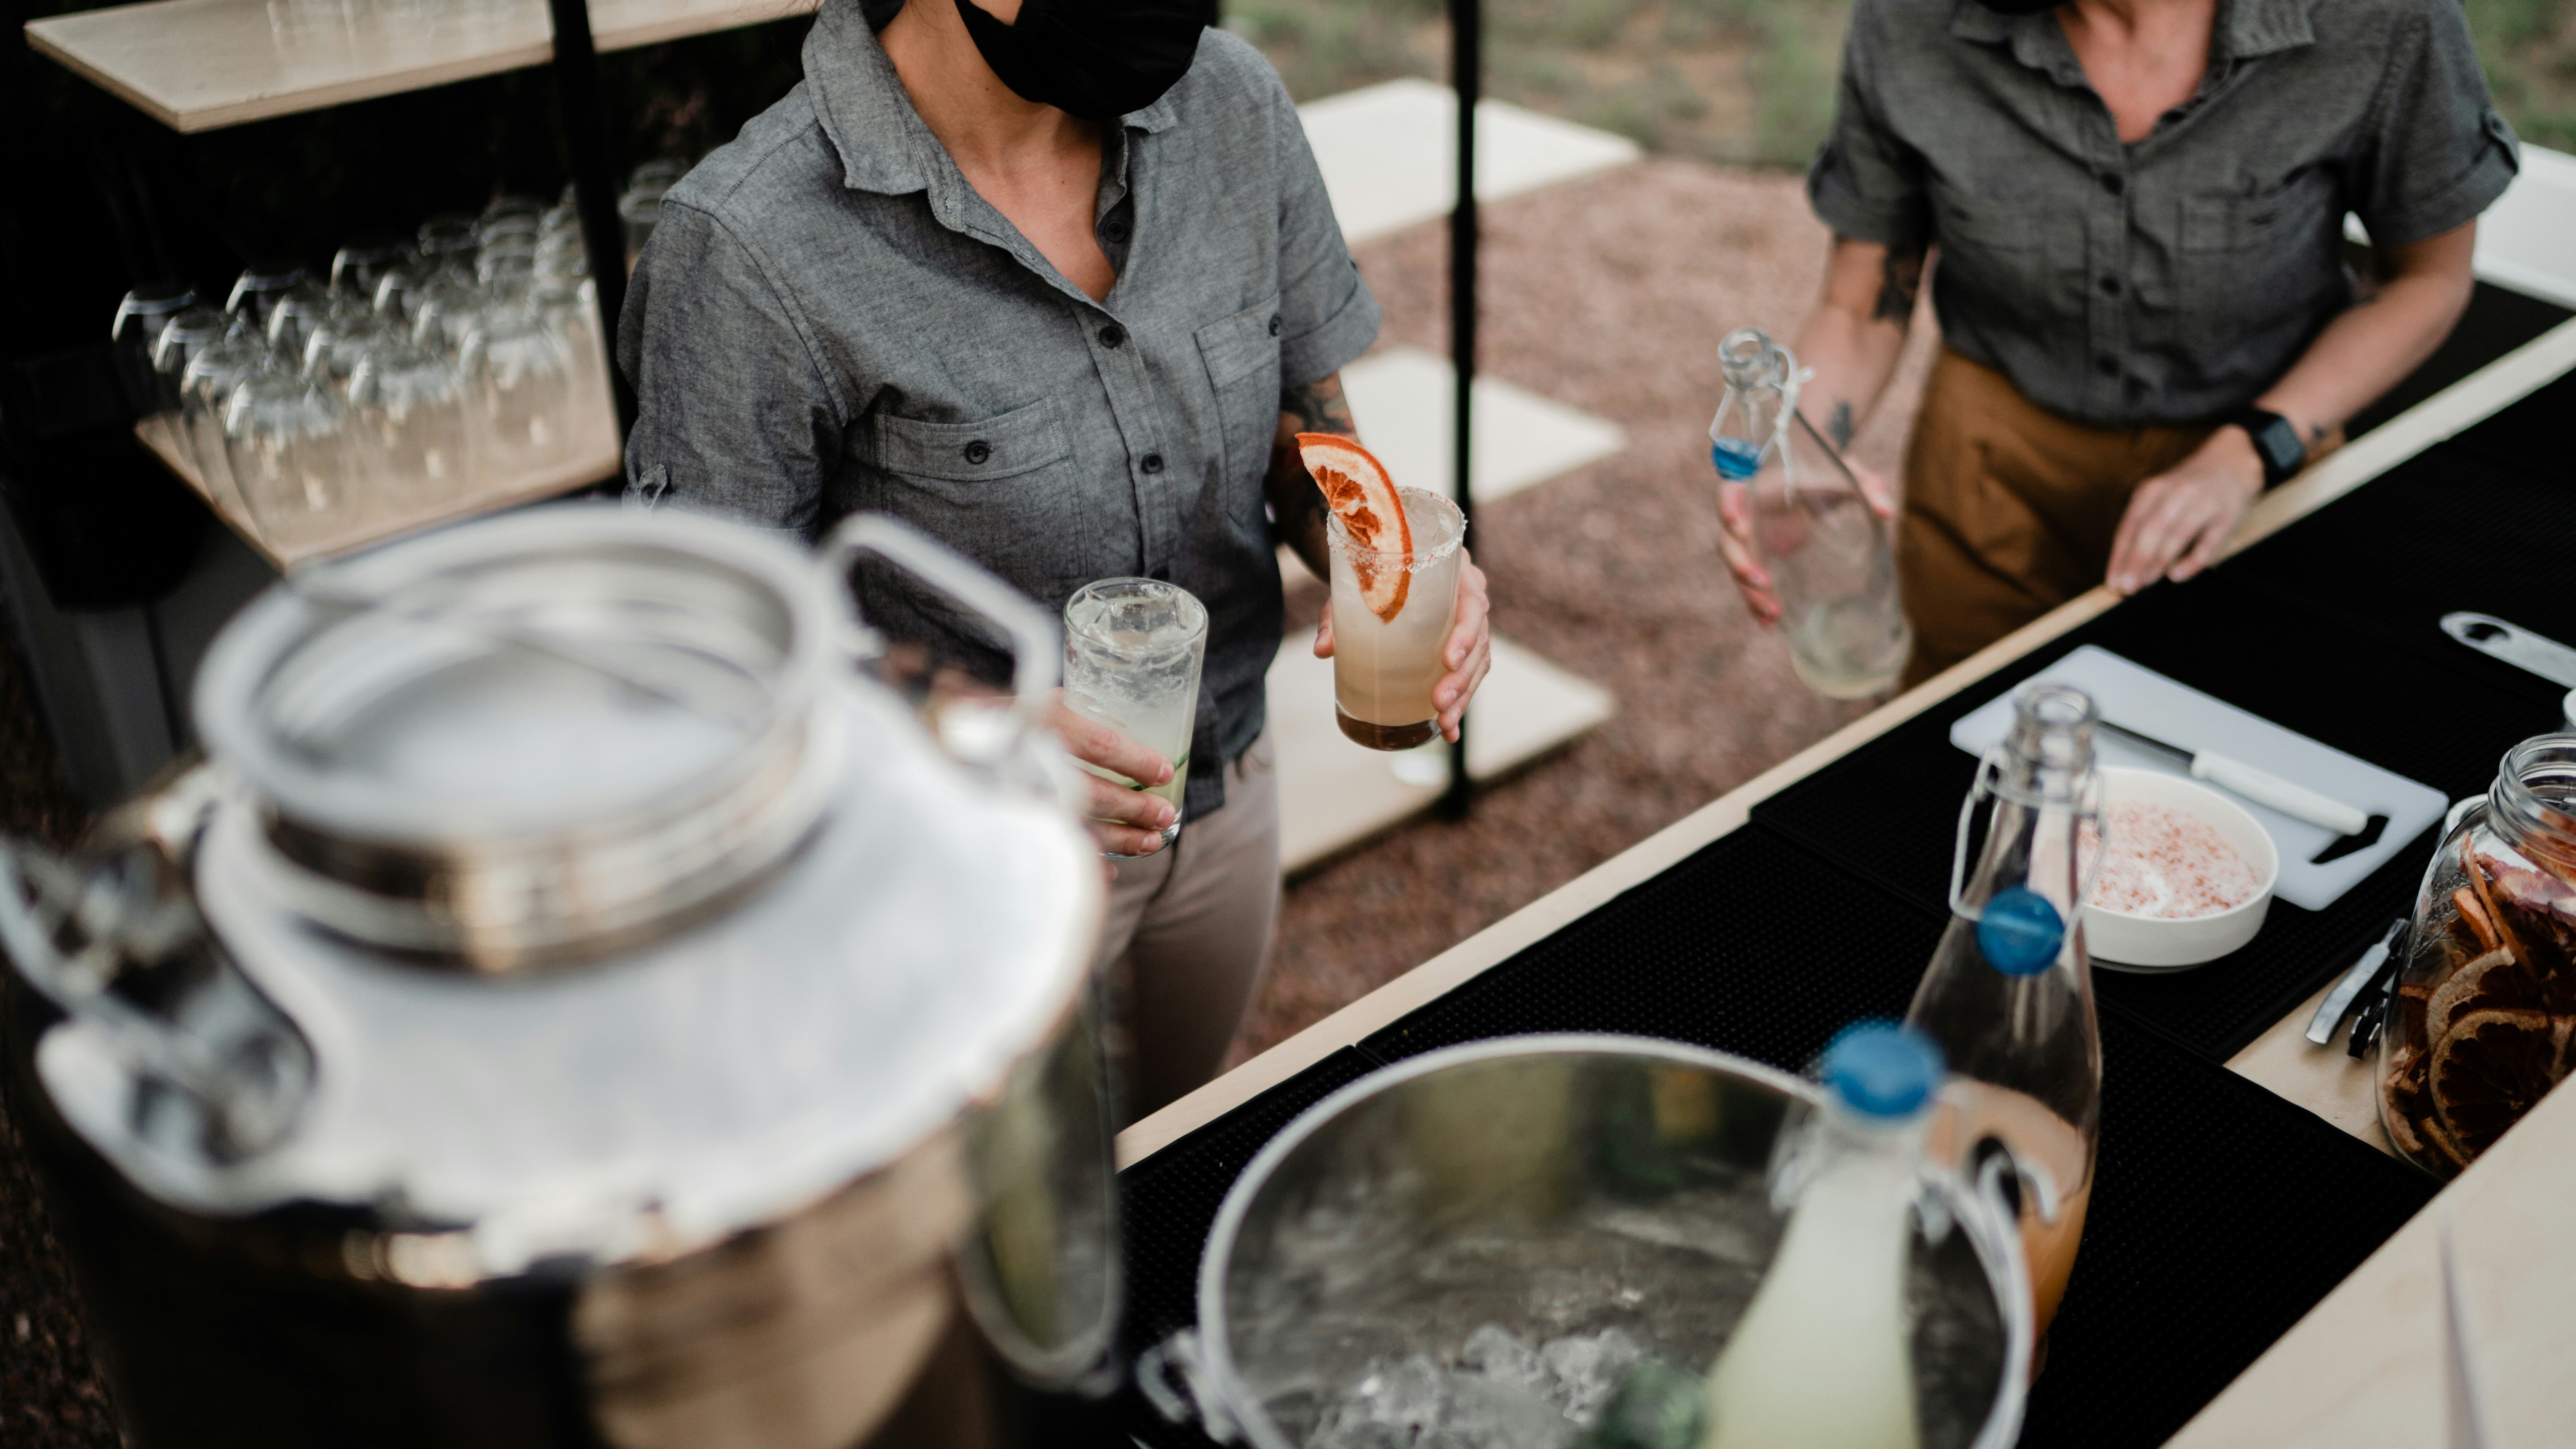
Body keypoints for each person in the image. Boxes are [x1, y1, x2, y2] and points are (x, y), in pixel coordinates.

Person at [616, 0, 1494, 1117]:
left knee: (1173, 1146)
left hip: (1229, 793)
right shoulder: (747, 243)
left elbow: (1304, 430)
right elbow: (710, 665)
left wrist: (1394, 561)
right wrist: (978, 731)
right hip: (954, 870)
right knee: (1013, 1208)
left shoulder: (1232, 105)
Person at [1720, 0, 2518, 685]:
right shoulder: (1907, 20)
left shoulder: (2385, 19)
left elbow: (2426, 279)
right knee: (1954, 734)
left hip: (2263, 454)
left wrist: (2249, 453)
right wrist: (1798, 452)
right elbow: (1858, 305)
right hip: (1988, 457)